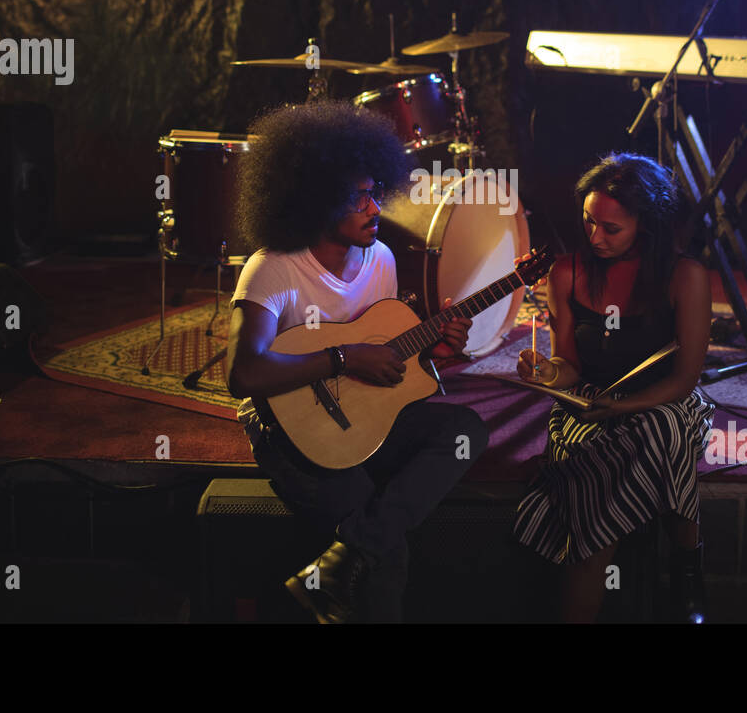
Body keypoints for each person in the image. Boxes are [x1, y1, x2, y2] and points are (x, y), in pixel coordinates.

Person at [225, 101, 488, 623]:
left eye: (375, 193)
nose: (376, 208)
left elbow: (382, 350)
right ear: (316, 202)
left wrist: (436, 349)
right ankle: (353, 556)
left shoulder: (381, 259)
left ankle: (346, 552)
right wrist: (343, 358)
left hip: (362, 415)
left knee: (465, 430)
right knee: (390, 554)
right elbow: (244, 375)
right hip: (289, 431)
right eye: (360, 198)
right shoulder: (271, 269)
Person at [513, 152, 715, 623]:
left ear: (645, 224)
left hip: (668, 402)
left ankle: (676, 568)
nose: (595, 238)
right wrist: (547, 373)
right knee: (643, 439)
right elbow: (569, 366)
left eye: (611, 229)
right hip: (589, 405)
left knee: (661, 427)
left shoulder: (685, 275)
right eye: (588, 223)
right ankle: (686, 566)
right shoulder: (566, 272)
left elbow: (685, 380)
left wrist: (623, 406)